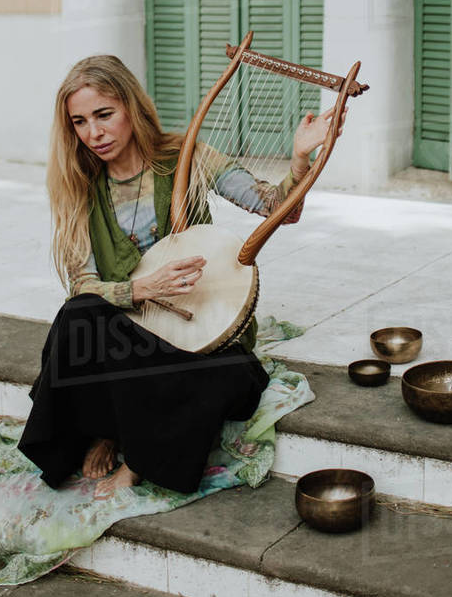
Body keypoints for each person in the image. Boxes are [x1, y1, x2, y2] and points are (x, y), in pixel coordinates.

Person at [18, 54, 342, 500]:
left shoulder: (184, 155)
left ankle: (135, 456)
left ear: (131, 107)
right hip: (136, 341)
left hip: (197, 339)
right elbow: (83, 284)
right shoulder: (82, 186)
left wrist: (300, 158)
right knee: (79, 316)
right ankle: (106, 432)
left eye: (104, 115)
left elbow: (276, 208)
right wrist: (140, 289)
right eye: (79, 122)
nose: (94, 133)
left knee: (225, 377)